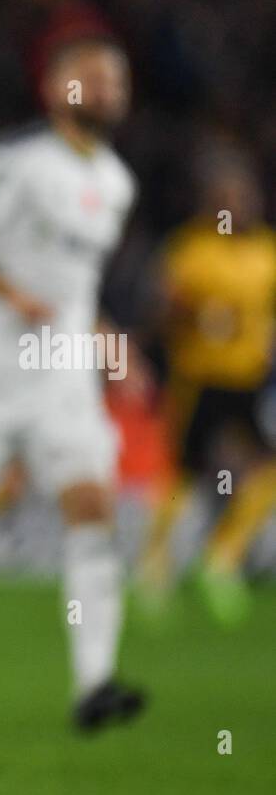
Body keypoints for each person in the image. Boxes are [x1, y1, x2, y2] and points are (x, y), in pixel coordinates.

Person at [0, 33, 144, 732]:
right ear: (57, 89)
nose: (109, 88)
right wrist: (10, 292)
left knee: (93, 509)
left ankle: (95, 681)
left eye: (117, 78)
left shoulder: (117, 182)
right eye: (93, 76)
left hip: (63, 378)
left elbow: (76, 288)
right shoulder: (14, 161)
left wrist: (114, 346)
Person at [137, 148, 276, 625]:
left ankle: (223, 555)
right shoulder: (191, 251)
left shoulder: (266, 253)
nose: (238, 206)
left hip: (248, 380)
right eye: (228, 198)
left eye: (244, 197)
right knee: (184, 473)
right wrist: (187, 314)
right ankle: (154, 566)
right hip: (200, 380)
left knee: (265, 468)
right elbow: (158, 316)